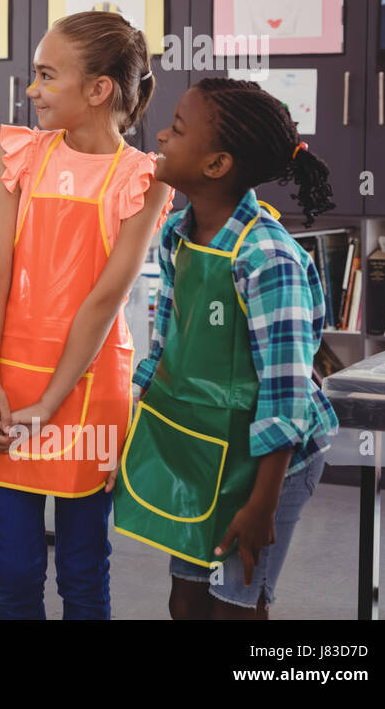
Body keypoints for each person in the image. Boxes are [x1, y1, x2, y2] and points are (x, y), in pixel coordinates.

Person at [0, 11, 174, 620]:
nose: (31, 89)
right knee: (12, 567)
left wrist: (51, 401)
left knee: (84, 567)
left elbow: (102, 302)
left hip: (88, 392)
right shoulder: (22, 155)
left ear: (98, 89)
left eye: (45, 75)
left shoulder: (145, 179)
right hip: (8, 381)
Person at [112, 78, 339, 619]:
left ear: (216, 165)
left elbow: (287, 399)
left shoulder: (267, 259)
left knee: (235, 606)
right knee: (186, 601)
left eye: (179, 129)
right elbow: (166, 348)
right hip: (204, 449)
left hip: (271, 469)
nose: (162, 134)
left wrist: (261, 506)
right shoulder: (176, 235)